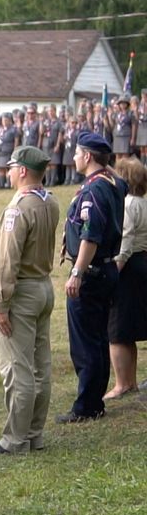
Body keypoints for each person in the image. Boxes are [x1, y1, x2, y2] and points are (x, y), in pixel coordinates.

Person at [0, 146, 61, 456]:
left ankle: (14, 439)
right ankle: (33, 434)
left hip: (21, 293)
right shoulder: (49, 202)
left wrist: (1, 304)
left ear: (23, 171)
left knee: (17, 368)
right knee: (40, 367)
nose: (9, 171)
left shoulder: (18, 209)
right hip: (42, 286)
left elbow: (8, 261)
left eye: (12, 167)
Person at [59, 131, 125, 424]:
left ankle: (86, 405)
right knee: (98, 337)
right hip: (106, 270)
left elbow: (90, 235)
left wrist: (77, 272)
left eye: (77, 152)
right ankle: (94, 400)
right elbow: (117, 177)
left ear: (87, 156)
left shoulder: (93, 191)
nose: (73, 157)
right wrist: (105, 163)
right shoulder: (112, 183)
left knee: (86, 341)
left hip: (91, 271)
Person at [106, 157, 147, 400]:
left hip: (128, 267)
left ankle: (122, 383)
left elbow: (126, 241)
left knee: (118, 329)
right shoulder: (142, 201)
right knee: (129, 327)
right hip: (141, 263)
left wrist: (114, 270)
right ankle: (129, 381)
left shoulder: (129, 204)